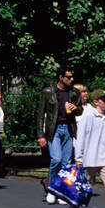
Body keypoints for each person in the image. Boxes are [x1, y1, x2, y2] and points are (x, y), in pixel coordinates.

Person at [37, 66, 82, 196]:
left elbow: (80, 110)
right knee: (56, 159)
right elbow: (40, 115)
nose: (71, 79)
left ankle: (62, 190)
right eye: (68, 77)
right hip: (54, 129)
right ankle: (51, 187)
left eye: (72, 77)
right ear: (61, 77)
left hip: (68, 128)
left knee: (66, 162)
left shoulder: (74, 93)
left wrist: (75, 108)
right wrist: (41, 135)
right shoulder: (48, 92)